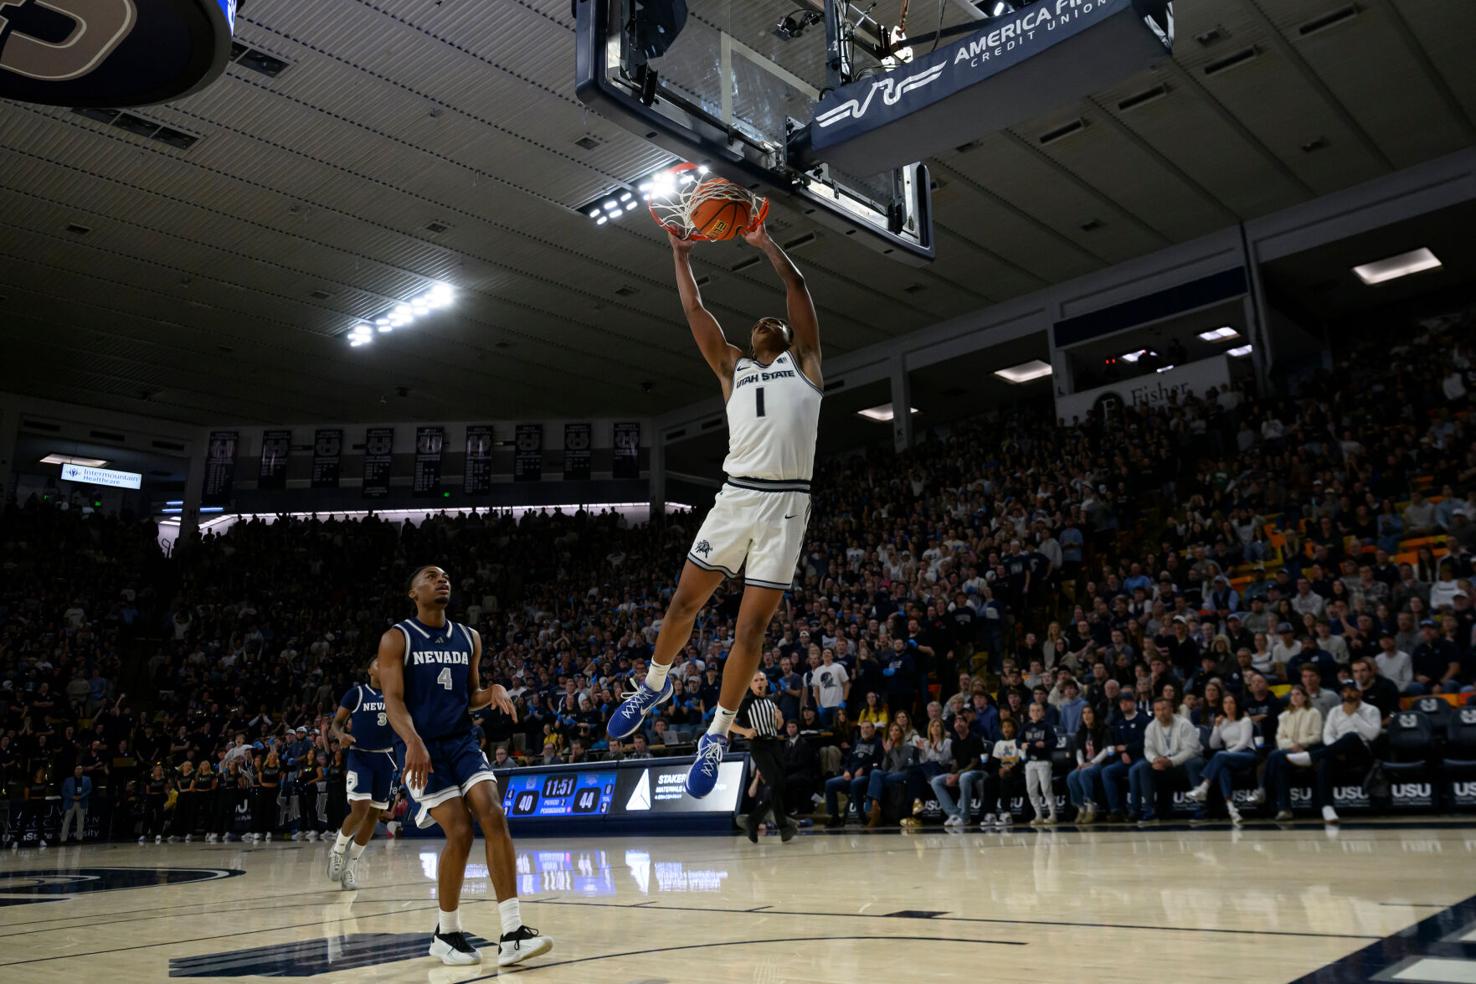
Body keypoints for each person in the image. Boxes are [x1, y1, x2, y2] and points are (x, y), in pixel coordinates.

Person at [607, 221, 824, 801]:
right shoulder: (733, 367)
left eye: (771, 321)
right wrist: (680, 254)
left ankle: (717, 733)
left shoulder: (805, 362)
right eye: (759, 323)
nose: (766, 322)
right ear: (749, 341)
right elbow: (694, 307)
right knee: (685, 601)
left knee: (749, 630)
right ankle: (653, 684)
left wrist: (764, 243)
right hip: (735, 495)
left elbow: (797, 289)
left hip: (786, 504)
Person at [380, 565, 552, 968]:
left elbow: (469, 694)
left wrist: (491, 691)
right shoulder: (396, 638)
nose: (442, 580)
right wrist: (413, 741)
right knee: (458, 831)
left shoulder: (468, 637)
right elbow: (393, 700)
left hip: (461, 742)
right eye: (430, 576)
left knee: (493, 813)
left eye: (444, 576)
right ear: (413, 592)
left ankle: (512, 933)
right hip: (420, 749)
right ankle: (446, 932)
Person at [327, 658, 399, 890]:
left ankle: (352, 864)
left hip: (385, 758)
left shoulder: (395, 693)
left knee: (374, 814)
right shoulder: (356, 694)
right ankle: (338, 849)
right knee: (360, 809)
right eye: (377, 663)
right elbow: (336, 724)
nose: (382, 666)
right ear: (369, 670)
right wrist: (340, 736)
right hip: (360, 756)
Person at [1285, 681, 1381, 824]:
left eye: (1352, 691)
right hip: (1339, 754)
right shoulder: (1335, 711)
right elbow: (1327, 735)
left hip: (1362, 755)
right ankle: (1327, 808)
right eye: (1346, 691)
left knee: (1351, 736)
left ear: (1360, 693)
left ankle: (1311, 757)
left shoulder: (1371, 710)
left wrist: (1354, 715)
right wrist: (1336, 749)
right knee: (1325, 761)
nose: (1349, 694)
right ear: (1342, 694)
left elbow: (1372, 735)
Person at [731, 670, 795, 843]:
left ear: (766, 683)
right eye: (756, 680)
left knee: (780, 786)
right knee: (774, 783)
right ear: (751, 685)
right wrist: (744, 731)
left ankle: (753, 819)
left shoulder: (771, 701)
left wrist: (780, 720)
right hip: (758, 745)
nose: (759, 683)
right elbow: (727, 723)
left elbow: (778, 726)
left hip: (774, 743)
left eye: (762, 680)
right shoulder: (745, 703)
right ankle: (783, 826)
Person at [1132, 696, 1203, 825]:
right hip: (1164, 766)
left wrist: (1171, 761)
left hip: (1184, 765)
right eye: (1157, 710)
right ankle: (1150, 810)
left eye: (1164, 709)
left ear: (1171, 709)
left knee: (1193, 763)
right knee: (1144, 767)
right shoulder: (1151, 727)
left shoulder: (1184, 724)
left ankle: (1201, 807)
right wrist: (1155, 760)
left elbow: (1190, 751)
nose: (1161, 712)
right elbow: (1148, 749)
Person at [1186, 693, 1255, 824]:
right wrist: (1217, 726)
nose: (1228, 706)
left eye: (1231, 703)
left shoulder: (1245, 720)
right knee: (1223, 769)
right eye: (1225, 703)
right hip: (1229, 757)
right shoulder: (1222, 722)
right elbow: (1213, 744)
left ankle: (1203, 787)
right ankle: (1232, 811)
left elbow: (1244, 743)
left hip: (1247, 753)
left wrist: (1227, 754)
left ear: (1236, 705)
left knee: (1220, 756)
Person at [1258, 683, 1323, 821]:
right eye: (1292, 694)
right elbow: (1279, 738)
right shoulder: (1284, 716)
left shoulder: (1313, 713)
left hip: (1306, 752)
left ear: (1305, 697)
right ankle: (1284, 810)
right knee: (1280, 763)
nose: (1294, 697)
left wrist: (1301, 744)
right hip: (1288, 752)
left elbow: (1317, 736)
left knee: (1274, 755)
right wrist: (1293, 746)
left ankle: (1263, 788)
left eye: (1298, 694)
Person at [1099, 693, 1148, 823]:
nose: (1123, 704)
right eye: (1121, 703)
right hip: (1125, 759)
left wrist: (1126, 749)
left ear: (1134, 703)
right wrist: (1122, 753)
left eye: (1126, 701)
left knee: (1133, 771)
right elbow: (1117, 745)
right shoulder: (1119, 723)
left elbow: (1144, 742)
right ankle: (1115, 810)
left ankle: (1135, 810)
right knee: (1107, 771)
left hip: (1142, 757)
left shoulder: (1143, 720)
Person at [930, 713, 985, 828]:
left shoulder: (975, 738)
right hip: (962, 772)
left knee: (964, 778)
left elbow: (974, 762)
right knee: (935, 781)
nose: (958, 723)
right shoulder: (955, 742)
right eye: (956, 722)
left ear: (967, 724)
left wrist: (958, 774)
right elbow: (956, 762)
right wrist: (952, 774)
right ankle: (954, 814)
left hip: (978, 772)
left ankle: (965, 817)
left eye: (961, 721)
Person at [824, 720, 882, 827]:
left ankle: (861, 816)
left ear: (873, 730)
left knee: (855, 783)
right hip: (851, 775)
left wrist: (863, 769)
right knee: (829, 783)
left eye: (868, 727)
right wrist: (847, 771)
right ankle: (834, 817)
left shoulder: (878, 742)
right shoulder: (857, 742)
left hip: (867, 776)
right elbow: (848, 760)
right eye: (863, 728)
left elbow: (878, 762)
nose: (865, 730)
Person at [864, 722, 919, 827]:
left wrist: (891, 751)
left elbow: (899, 765)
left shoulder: (907, 747)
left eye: (896, 730)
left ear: (901, 733)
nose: (893, 732)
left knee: (877, 778)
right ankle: (874, 807)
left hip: (903, 774)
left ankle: (871, 809)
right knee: (875, 772)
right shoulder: (889, 747)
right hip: (889, 774)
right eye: (891, 730)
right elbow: (884, 767)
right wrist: (887, 753)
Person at [1066, 704, 1112, 824]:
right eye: (1084, 713)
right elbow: (1079, 751)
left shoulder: (1103, 728)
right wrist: (1081, 764)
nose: (1086, 715)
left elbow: (1106, 750)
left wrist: (1091, 763)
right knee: (1071, 776)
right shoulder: (1081, 731)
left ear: (1094, 715)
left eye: (1089, 712)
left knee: (1084, 774)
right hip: (1086, 763)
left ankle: (1091, 807)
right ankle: (1081, 808)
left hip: (1101, 763)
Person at [1019, 700, 1058, 825]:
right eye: (1032, 710)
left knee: (1046, 788)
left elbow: (1054, 741)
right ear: (1029, 713)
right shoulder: (1025, 726)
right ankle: (1038, 815)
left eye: (1038, 710)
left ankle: (1052, 814)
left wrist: (1045, 743)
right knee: (1031, 789)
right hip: (1030, 762)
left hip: (1044, 761)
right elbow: (1017, 741)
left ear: (1043, 713)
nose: (1035, 713)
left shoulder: (1047, 726)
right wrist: (1021, 744)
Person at [59, 765, 90, 843]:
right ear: (74, 770)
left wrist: (81, 796)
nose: (78, 770)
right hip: (70, 802)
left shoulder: (87, 779)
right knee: (66, 821)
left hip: (81, 802)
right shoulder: (68, 780)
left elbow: (89, 789)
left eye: (80, 769)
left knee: (80, 821)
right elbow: (64, 791)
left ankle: (79, 838)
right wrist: (72, 797)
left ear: (82, 770)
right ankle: (63, 839)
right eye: (77, 769)